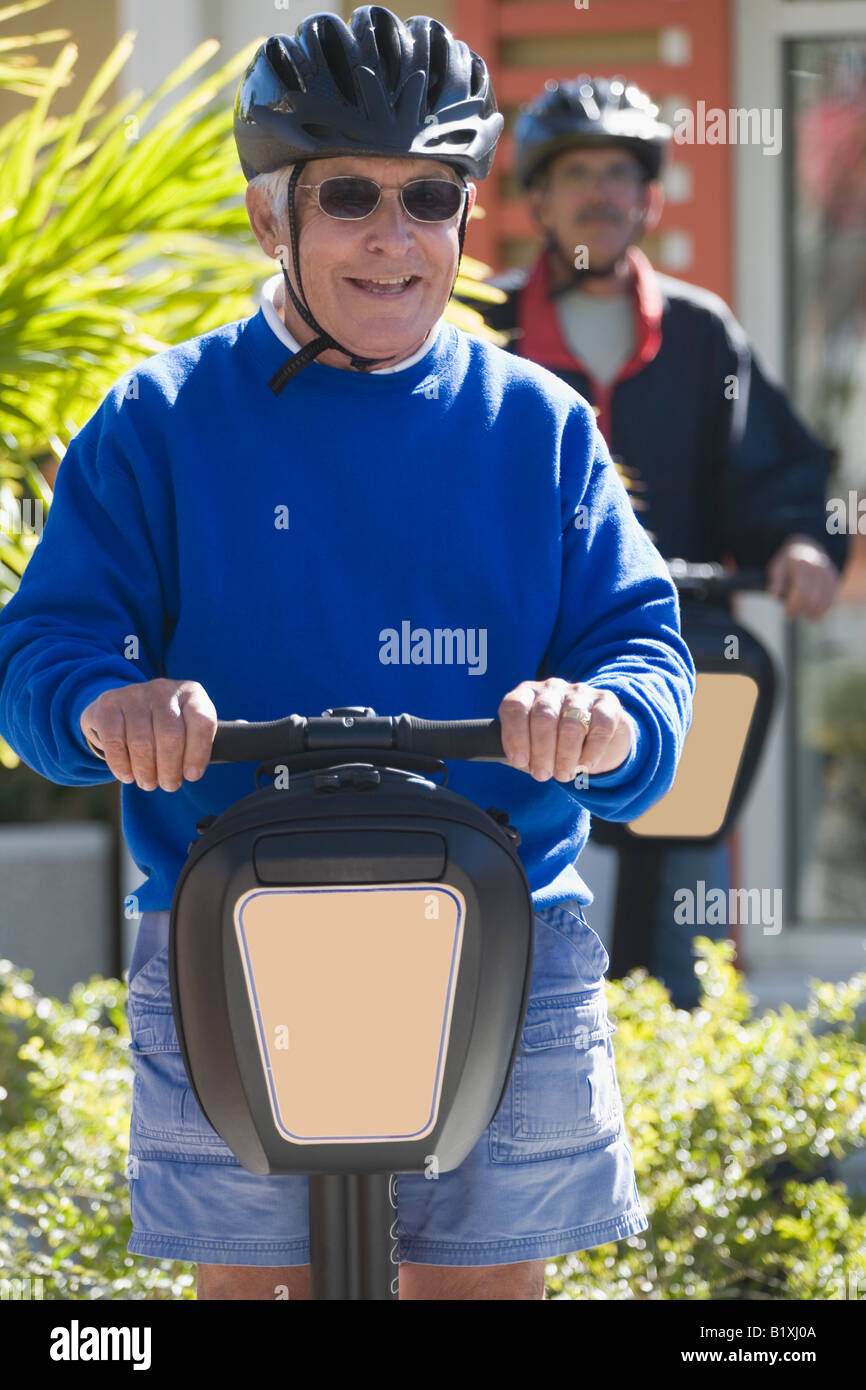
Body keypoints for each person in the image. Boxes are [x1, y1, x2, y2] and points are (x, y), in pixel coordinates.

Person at [0, 10, 695, 1300]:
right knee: (253, 1296)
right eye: (350, 198)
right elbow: (43, 649)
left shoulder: (536, 425)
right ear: (273, 219)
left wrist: (601, 715)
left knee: (485, 1292)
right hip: (233, 922)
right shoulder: (156, 422)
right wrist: (110, 704)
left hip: (503, 923)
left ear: (464, 217)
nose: (393, 236)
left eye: (429, 196)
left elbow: (641, 652)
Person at [472, 75, 849, 1009]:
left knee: (681, 910)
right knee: (525, 937)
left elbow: (775, 473)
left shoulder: (699, 335)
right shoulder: (482, 329)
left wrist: (802, 542)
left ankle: (681, 1071)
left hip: (676, 665)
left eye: (621, 173)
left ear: (647, 197)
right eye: (577, 173)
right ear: (538, 199)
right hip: (513, 679)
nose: (602, 191)